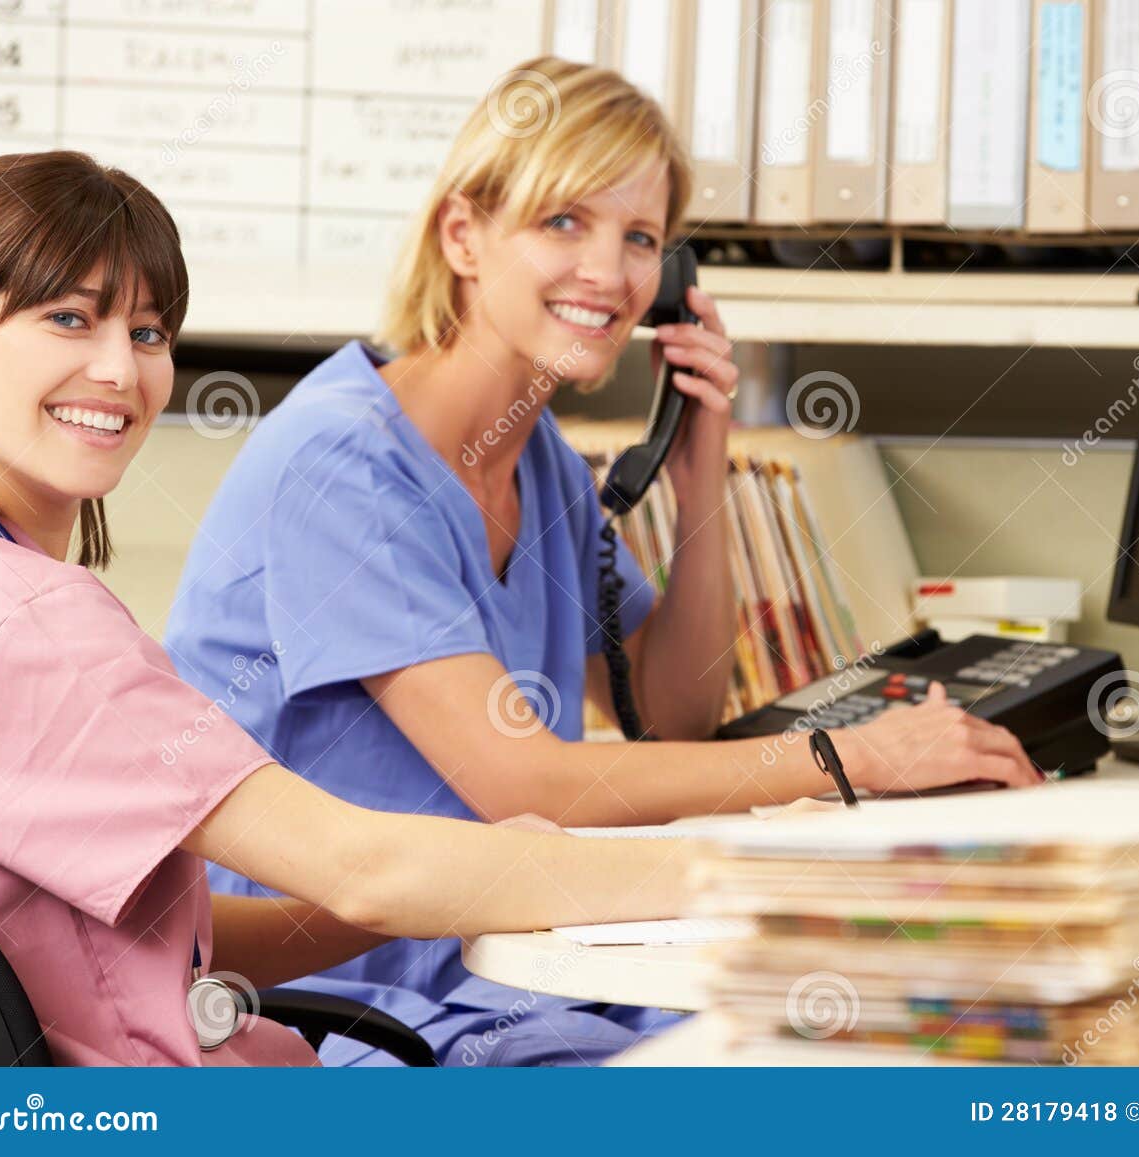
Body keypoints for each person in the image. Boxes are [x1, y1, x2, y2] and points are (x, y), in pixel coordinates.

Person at [165, 57, 1042, 1066]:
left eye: (641, 239)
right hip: (332, 995)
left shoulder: (544, 467)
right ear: (463, 236)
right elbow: (516, 779)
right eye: (564, 223)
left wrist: (702, 463)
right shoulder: (342, 463)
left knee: (885, 1026)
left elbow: (671, 711)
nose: (609, 273)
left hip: (509, 953)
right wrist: (851, 758)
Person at [0, 150, 698, 1068]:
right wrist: (747, 879)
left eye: (148, 334)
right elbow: (363, 866)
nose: (118, 370)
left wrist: (469, 881)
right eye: (68, 318)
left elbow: (166, 935)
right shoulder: (25, 620)